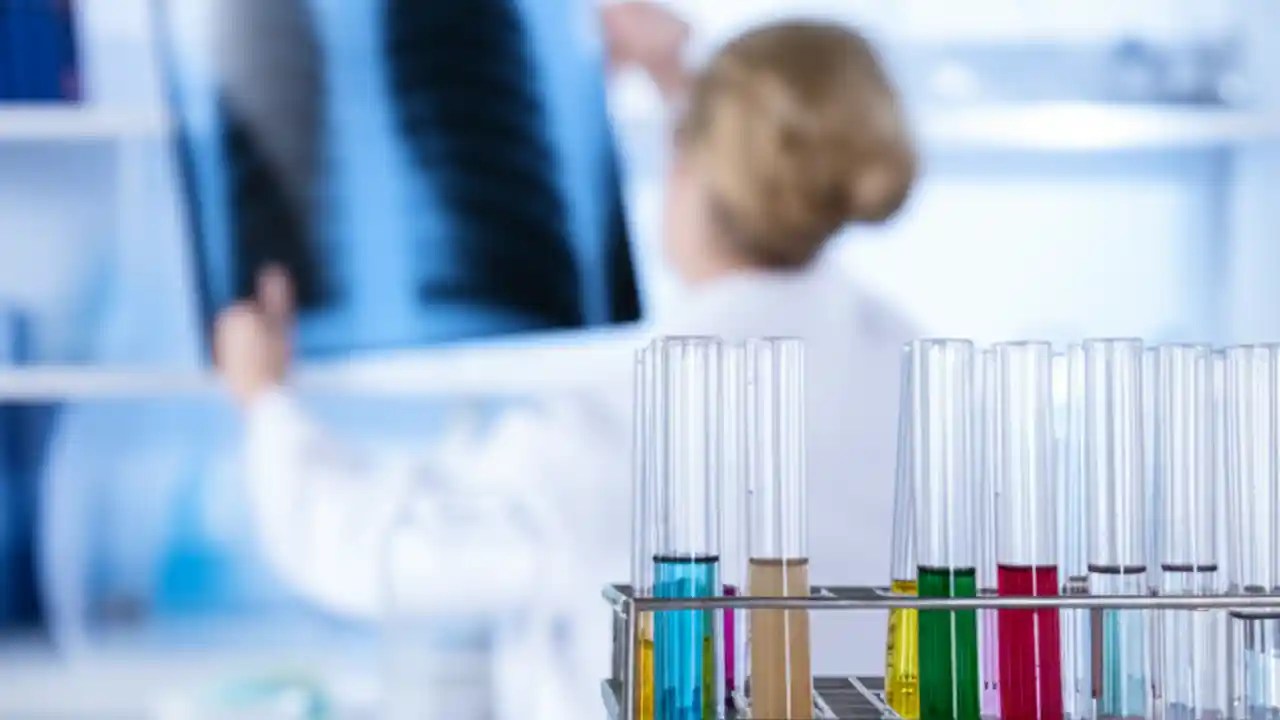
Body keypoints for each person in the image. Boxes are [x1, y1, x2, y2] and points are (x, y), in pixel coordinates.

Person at [217, 18, 918, 703]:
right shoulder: (913, 373)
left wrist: (267, 403)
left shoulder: (617, 425)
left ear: (689, 167)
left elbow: (369, 553)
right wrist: (689, 93)